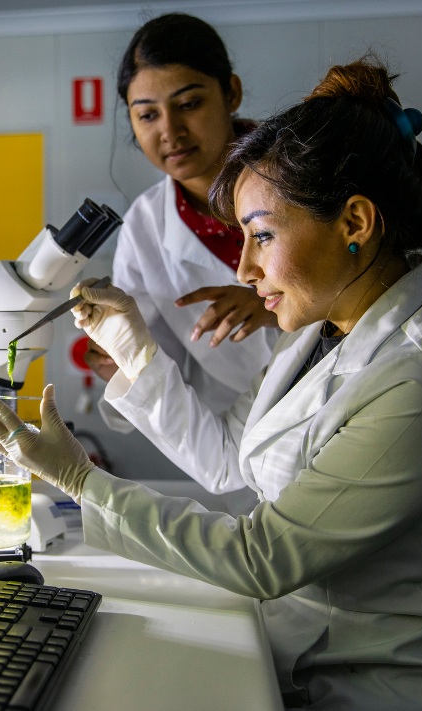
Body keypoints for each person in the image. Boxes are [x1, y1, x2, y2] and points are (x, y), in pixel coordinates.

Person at [0, 59, 422, 710]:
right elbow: (231, 456)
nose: (245, 268)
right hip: (302, 660)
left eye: (261, 236)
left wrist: (81, 480)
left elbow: (261, 556)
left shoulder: (420, 380)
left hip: (388, 691)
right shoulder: (315, 335)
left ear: (355, 223)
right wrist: (136, 353)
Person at [91, 14, 278, 491]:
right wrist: (123, 361)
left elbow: (364, 293)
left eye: (189, 103)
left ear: (231, 92)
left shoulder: (301, 179)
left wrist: (274, 306)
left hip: (346, 414)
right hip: (240, 454)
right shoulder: (146, 227)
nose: (169, 131)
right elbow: (161, 365)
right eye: (147, 114)